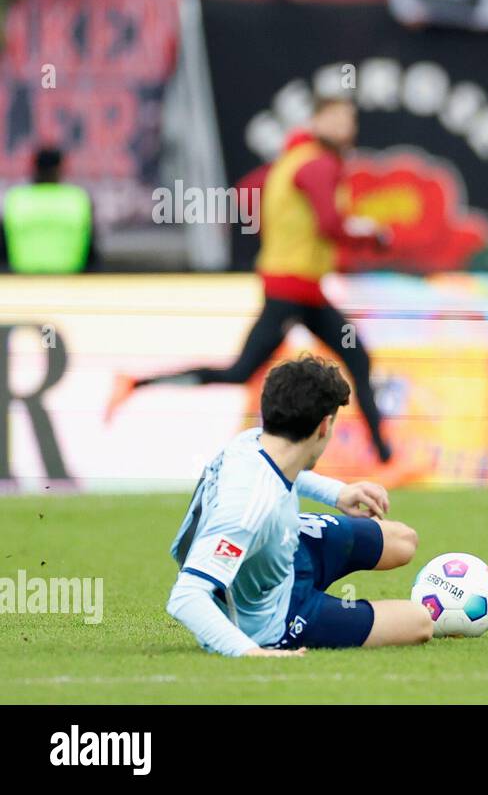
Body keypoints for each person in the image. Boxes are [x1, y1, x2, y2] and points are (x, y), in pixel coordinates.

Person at [106, 96, 396, 466]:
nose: (347, 127)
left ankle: (383, 454)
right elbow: (329, 224)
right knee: (244, 371)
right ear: (317, 121)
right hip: (292, 291)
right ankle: (135, 384)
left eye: (350, 119)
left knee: (353, 356)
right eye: (338, 118)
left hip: (301, 289)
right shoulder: (318, 165)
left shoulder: (291, 160)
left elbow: (245, 193)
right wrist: (372, 237)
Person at [166, 355, 432, 656]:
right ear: (324, 426)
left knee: (403, 541)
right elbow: (187, 596)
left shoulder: (251, 441)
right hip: (275, 616)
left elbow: (288, 470)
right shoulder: (249, 508)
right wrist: (250, 651)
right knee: (420, 621)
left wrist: (339, 493)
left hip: (287, 549)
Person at [1, 147, 98, 274]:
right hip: (70, 282)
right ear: (61, 168)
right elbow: (91, 252)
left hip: (23, 283)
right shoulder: (77, 199)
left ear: (34, 168)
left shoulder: (16, 199)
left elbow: (3, 250)